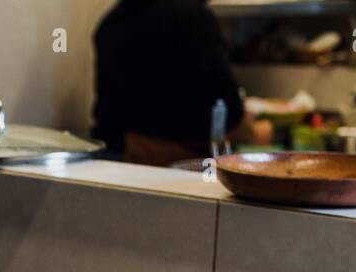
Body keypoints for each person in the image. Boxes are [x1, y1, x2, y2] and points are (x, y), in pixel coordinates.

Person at [92, 0, 272, 166]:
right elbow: (227, 112)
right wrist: (260, 132)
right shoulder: (192, 16)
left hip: (113, 156)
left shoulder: (112, 21)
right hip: (165, 163)